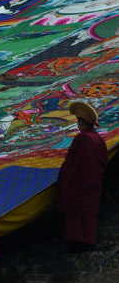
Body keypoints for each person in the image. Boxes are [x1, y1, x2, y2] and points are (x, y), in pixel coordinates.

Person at [58, 101, 108, 252]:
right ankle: (88, 240)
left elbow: (72, 164)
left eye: (78, 122)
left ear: (81, 122)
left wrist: (64, 172)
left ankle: (77, 243)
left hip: (79, 185)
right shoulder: (98, 139)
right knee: (89, 213)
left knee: (77, 216)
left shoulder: (83, 139)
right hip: (94, 183)